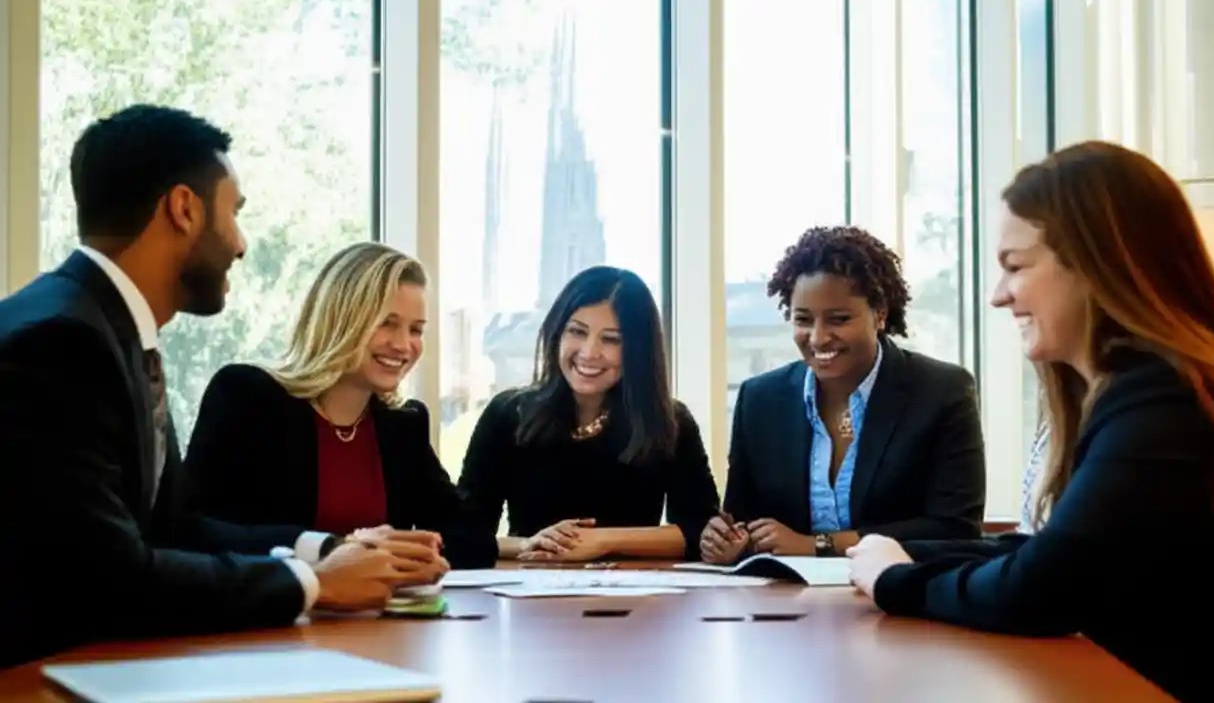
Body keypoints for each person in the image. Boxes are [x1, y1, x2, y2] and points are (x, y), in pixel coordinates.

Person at [0, 105, 435, 668]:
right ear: (184, 209)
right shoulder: (59, 343)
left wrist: (326, 550)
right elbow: (108, 577)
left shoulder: (108, 332)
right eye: (234, 213)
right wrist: (313, 584)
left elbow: (177, 529)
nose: (240, 243)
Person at [846, 141, 1214, 702]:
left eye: (1015, 267)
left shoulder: (1166, 402)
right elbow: (1053, 552)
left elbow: (1043, 589)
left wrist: (896, 581)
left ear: (1093, 262)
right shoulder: (1155, 389)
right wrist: (901, 554)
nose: (999, 297)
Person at [184, 242, 495, 571]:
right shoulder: (248, 396)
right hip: (272, 613)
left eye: (416, 329)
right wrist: (336, 548)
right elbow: (196, 532)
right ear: (340, 320)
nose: (404, 345)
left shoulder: (402, 424)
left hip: (380, 618)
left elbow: (472, 538)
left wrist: (396, 558)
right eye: (386, 323)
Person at [699, 226, 986, 564]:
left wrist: (817, 544)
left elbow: (955, 528)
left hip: (902, 596)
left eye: (838, 319)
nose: (818, 338)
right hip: (786, 602)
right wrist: (727, 541)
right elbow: (744, 519)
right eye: (803, 319)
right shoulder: (760, 401)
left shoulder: (942, 392)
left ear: (879, 313)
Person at [456, 266, 720, 561]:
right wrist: (530, 544)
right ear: (557, 333)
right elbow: (463, 533)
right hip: (530, 588)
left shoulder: (669, 422)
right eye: (577, 332)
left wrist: (603, 541)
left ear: (638, 351)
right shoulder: (507, 414)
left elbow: (702, 531)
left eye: (611, 339)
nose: (589, 352)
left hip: (638, 594)